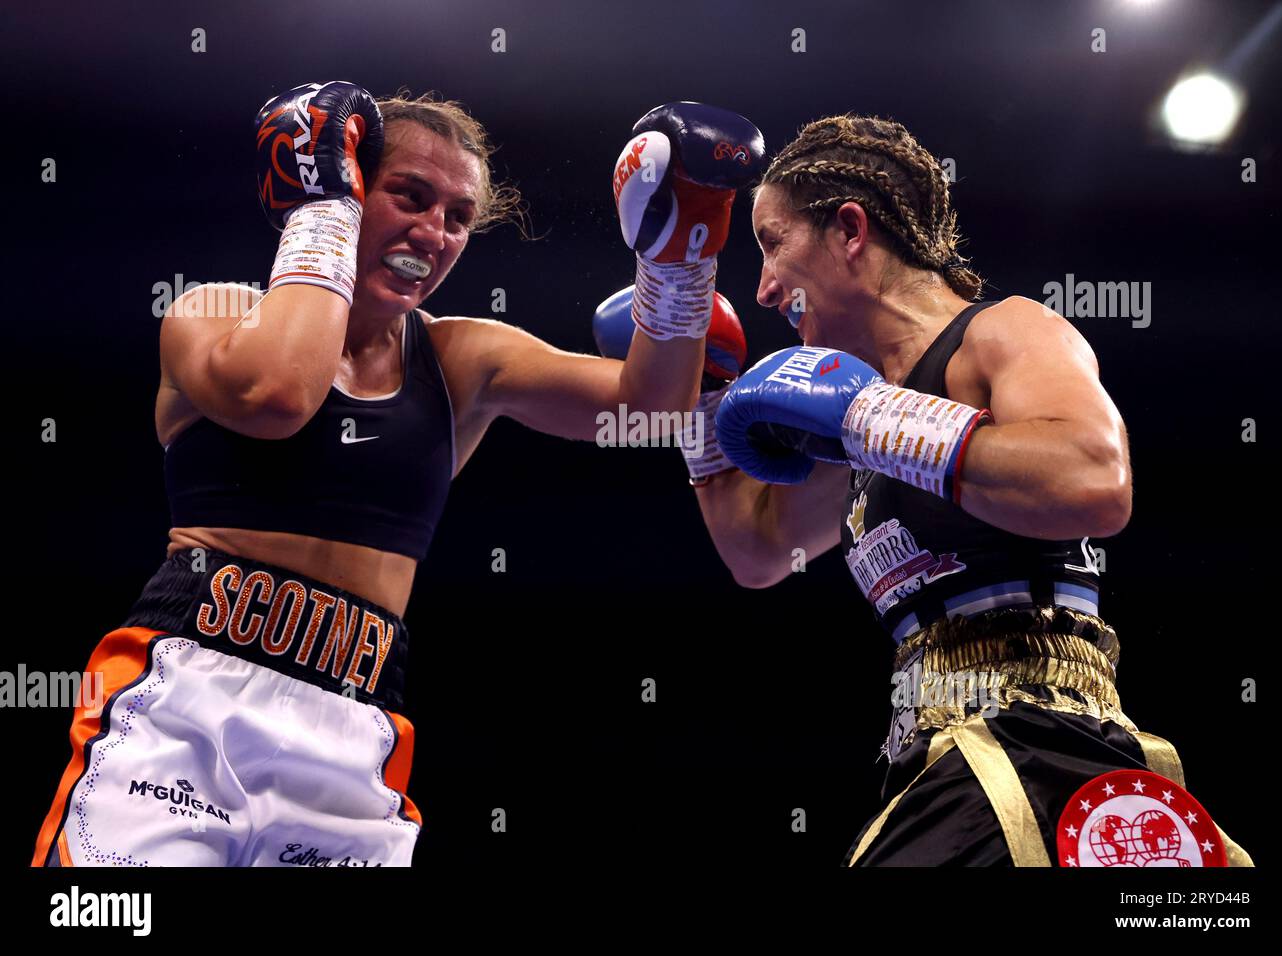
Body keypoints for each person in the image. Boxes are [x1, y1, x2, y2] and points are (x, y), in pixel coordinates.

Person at [32, 83, 759, 867]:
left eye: (457, 217)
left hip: (352, 735)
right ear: (347, 184)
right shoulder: (211, 313)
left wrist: (681, 250)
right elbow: (279, 395)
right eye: (409, 197)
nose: (434, 232)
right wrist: (321, 211)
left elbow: (650, 409)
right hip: (184, 713)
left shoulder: (459, 358)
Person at [683, 113, 1250, 866]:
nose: (761, 289)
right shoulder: (854, 417)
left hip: (1040, 744)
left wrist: (869, 414)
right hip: (939, 761)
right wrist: (698, 385)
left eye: (771, 242)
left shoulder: (1001, 333)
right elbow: (756, 549)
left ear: (850, 231)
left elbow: (1094, 481)